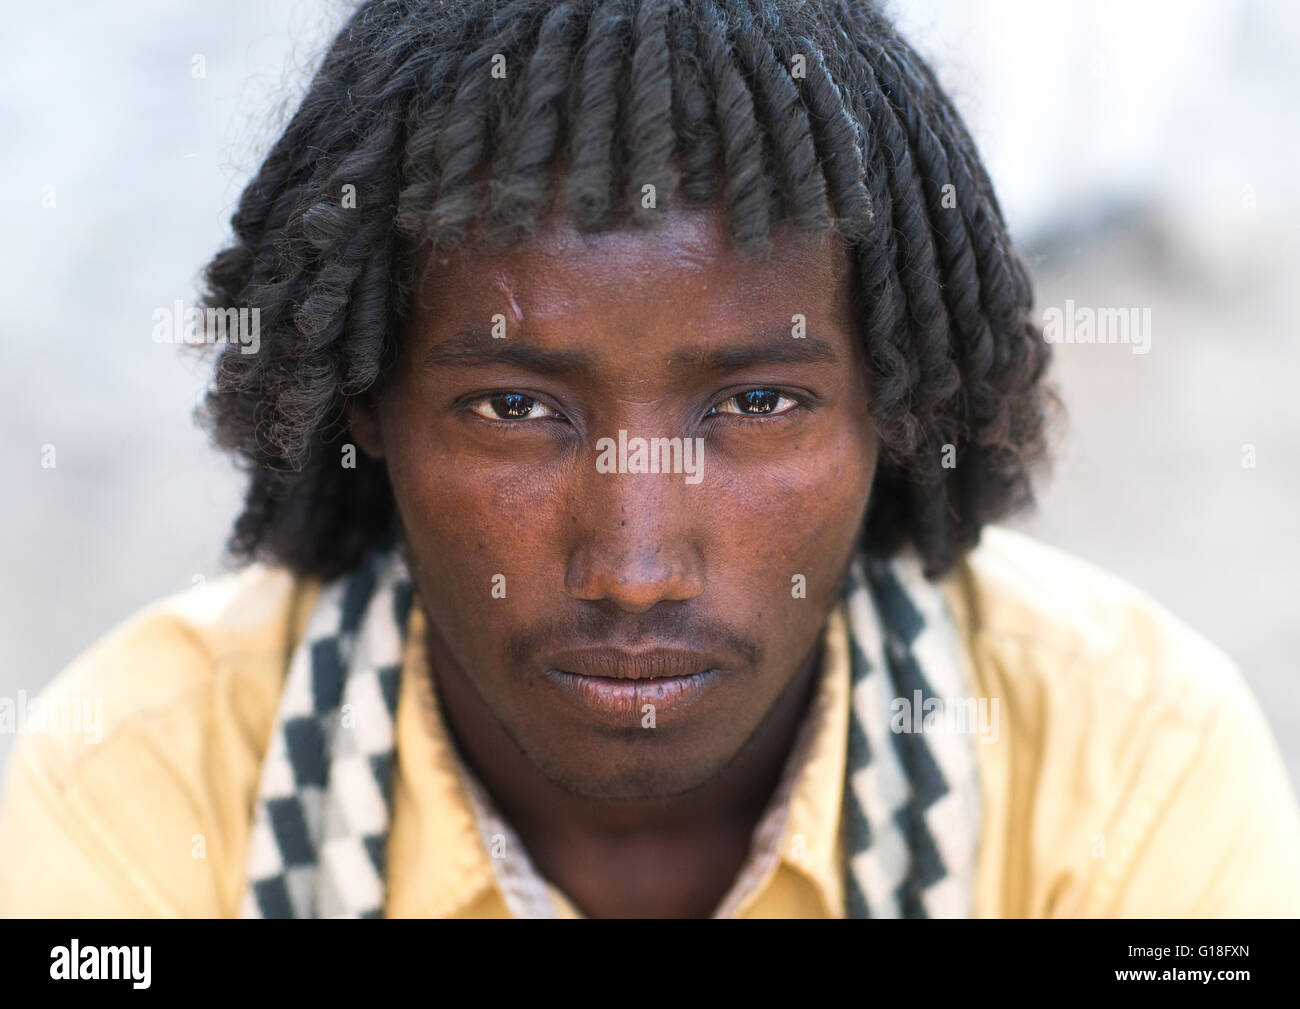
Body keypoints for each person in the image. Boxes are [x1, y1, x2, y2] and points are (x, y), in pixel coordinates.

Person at [2, 0, 1297, 918]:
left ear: (895, 407)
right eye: (515, 408)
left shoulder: (1131, 769)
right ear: (367, 406)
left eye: (758, 402)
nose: (633, 567)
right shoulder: (138, 796)